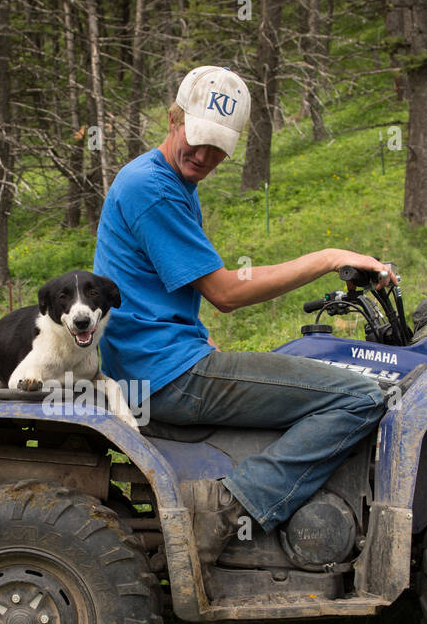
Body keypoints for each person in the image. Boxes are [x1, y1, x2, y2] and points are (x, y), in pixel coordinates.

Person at [95, 65, 392, 564]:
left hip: (159, 358)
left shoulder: (164, 180)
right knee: (360, 396)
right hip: (163, 374)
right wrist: (326, 259)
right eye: (196, 139)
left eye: (217, 147)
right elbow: (226, 291)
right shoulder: (153, 188)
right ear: (173, 118)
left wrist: (196, 333)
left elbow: (161, 287)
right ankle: (229, 509)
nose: (204, 155)